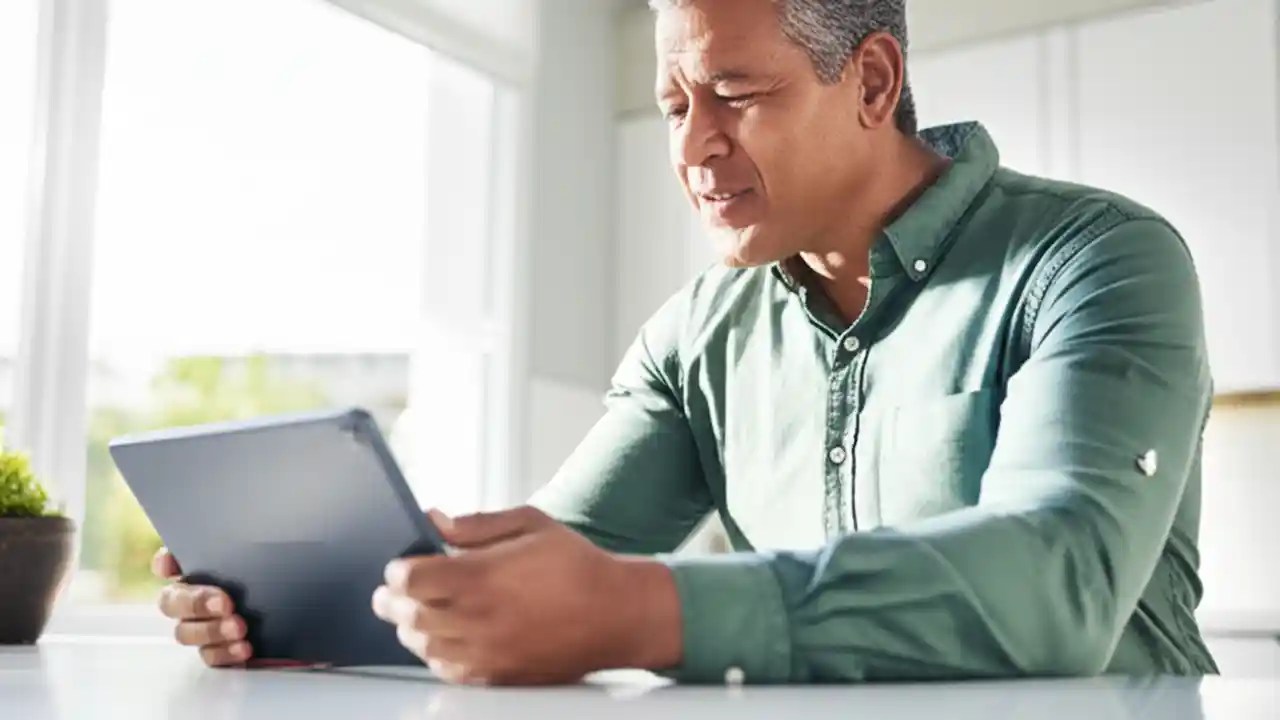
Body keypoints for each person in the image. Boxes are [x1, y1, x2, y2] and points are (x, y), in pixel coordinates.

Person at [152, 0, 1220, 685]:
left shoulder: (1095, 258)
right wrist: (319, 604)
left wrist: (644, 609)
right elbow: (556, 573)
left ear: (874, 83)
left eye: (736, 94)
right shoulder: (698, 330)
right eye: (670, 105)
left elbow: (1058, 584)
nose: (695, 146)